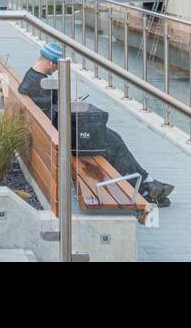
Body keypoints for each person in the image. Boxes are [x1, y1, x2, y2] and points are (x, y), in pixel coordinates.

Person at [18, 43, 174, 206]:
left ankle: (146, 182)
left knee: (114, 139)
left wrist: (68, 103)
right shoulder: (39, 82)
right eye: (57, 65)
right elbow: (54, 112)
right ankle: (144, 187)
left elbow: (51, 108)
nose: (57, 70)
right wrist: (69, 106)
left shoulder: (33, 77)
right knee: (115, 144)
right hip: (65, 136)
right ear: (51, 62)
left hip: (60, 131)